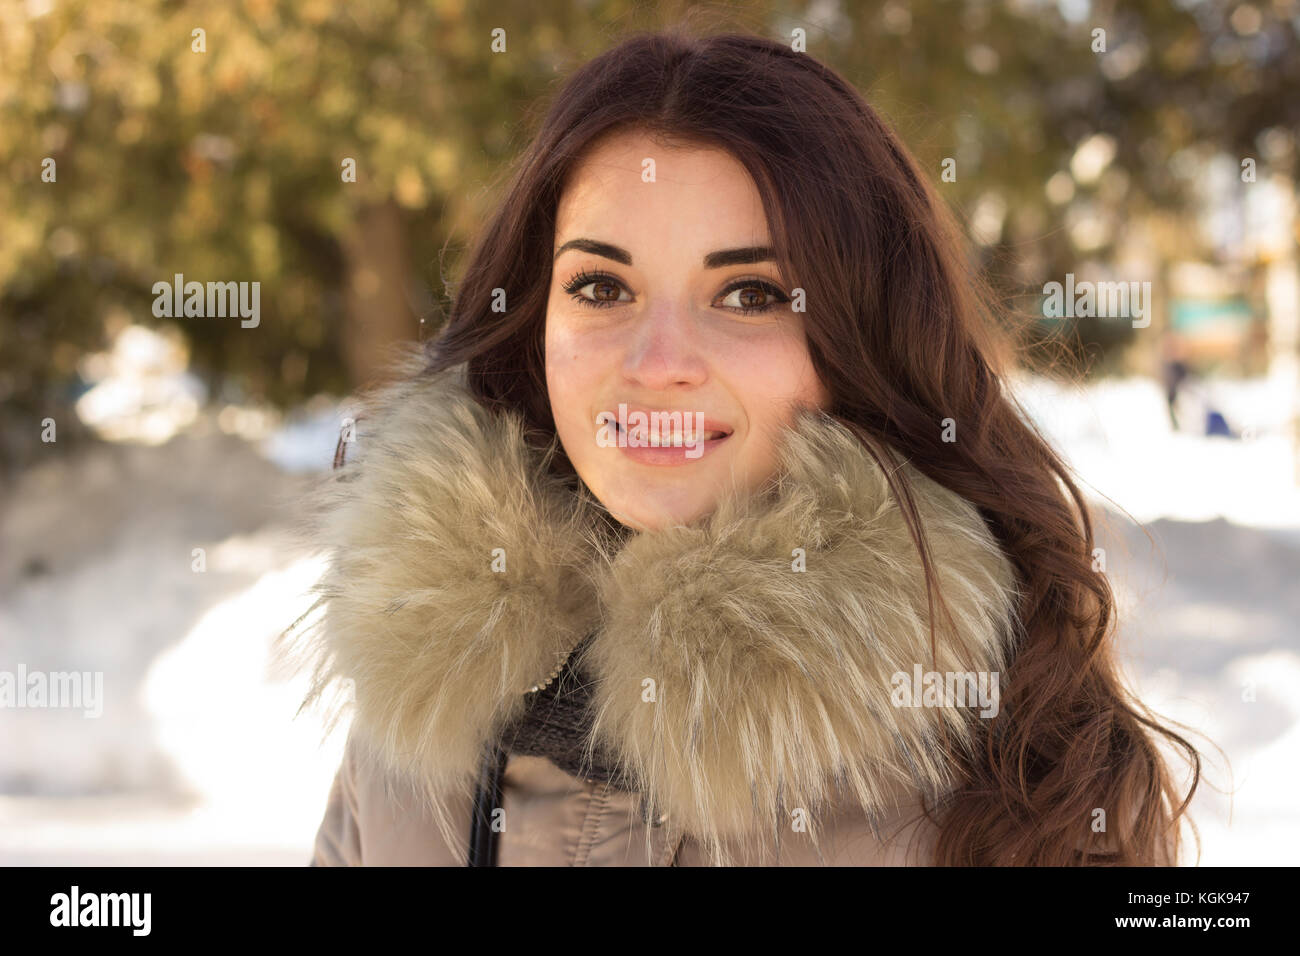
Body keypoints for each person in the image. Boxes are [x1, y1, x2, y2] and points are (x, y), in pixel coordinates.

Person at [285, 27, 1200, 866]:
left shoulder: (1006, 770)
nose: (658, 363)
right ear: (532, 322)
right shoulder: (415, 726)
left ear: (859, 341)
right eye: (602, 287)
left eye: (751, 295)